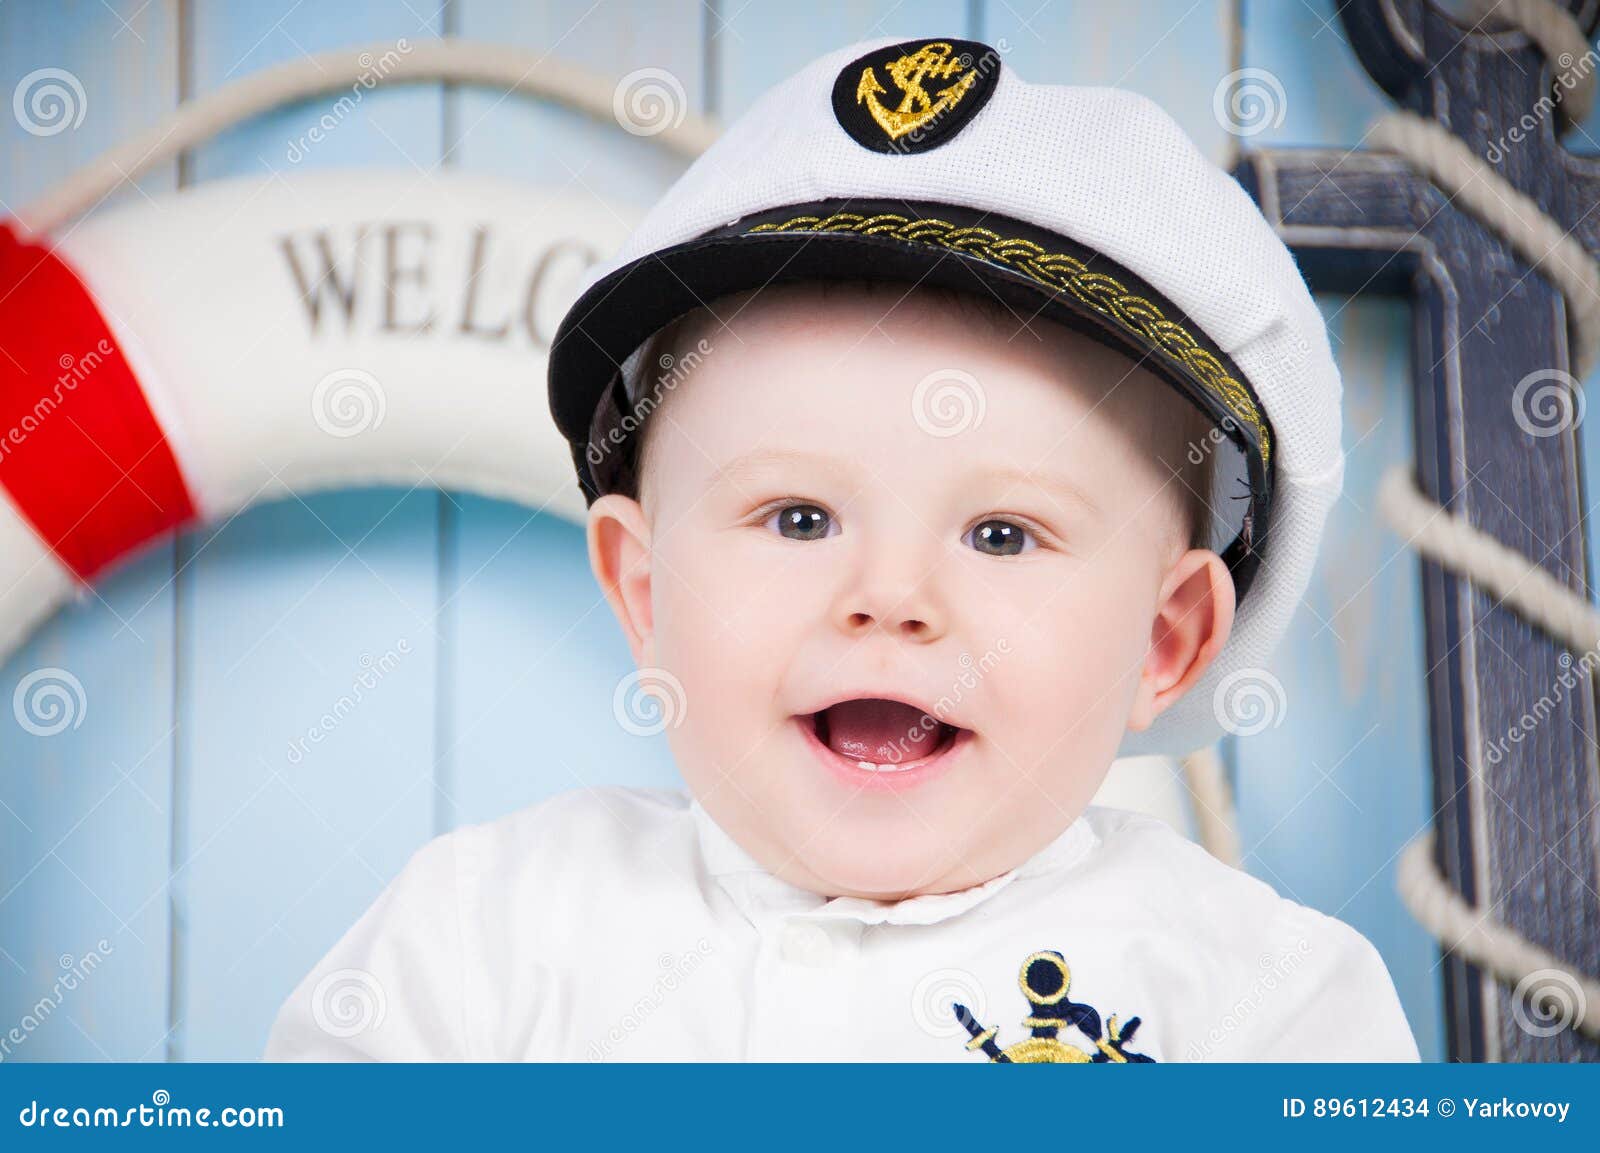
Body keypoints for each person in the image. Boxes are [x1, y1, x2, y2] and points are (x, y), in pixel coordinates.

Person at [264, 35, 1417, 1062]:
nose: (889, 596)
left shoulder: (1266, 1010)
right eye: (800, 519)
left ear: (1165, 641)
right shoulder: (476, 945)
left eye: (1001, 534)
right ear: (644, 586)